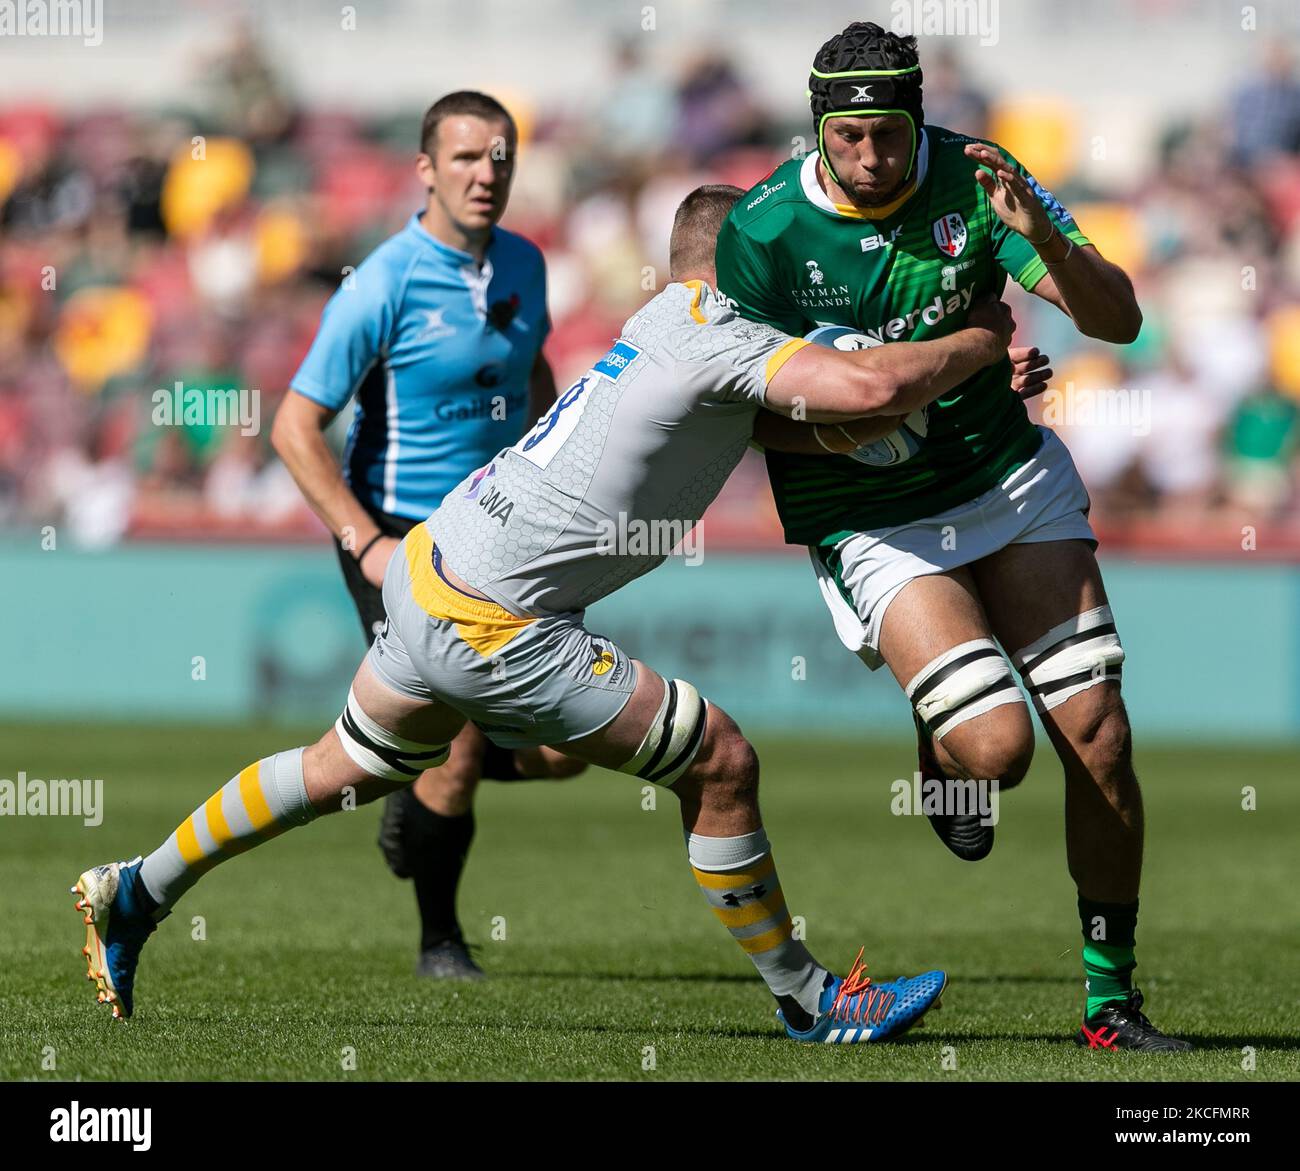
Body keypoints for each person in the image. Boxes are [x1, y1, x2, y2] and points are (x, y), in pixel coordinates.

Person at [72, 183, 1020, 1042]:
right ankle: (811, 1001)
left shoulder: (668, 321)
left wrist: (958, 395)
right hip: (494, 613)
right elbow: (865, 389)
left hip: (435, 561)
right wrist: (981, 336)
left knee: (337, 767)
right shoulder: (723, 329)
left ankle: (138, 889)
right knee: (721, 759)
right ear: (741, 259)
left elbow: (804, 425)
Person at [715, 21, 1191, 1052]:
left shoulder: (981, 180)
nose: (873, 157)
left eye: (889, 134)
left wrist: (1049, 241)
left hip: (1005, 481)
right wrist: (858, 407)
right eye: (849, 138)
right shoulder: (759, 233)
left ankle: (1110, 1001)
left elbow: (1119, 322)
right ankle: (946, 741)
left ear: (917, 117)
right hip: (869, 513)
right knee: (996, 749)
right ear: (818, 130)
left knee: (1099, 732)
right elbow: (724, 408)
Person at [271, 91, 583, 982]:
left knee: (563, 750)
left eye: (501, 159)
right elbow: (295, 426)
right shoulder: (382, 281)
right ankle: (440, 941)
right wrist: (362, 538)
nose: (487, 175)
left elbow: (536, 378)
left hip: (503, 532)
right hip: (399, 537)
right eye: (466, 158)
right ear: (425, 170)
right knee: (455, 742)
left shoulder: (525, 262)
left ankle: (408, 780)